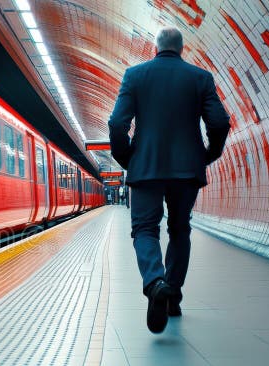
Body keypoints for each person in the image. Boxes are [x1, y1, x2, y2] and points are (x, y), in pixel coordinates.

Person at [108, 26, 230, 333]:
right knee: (179, 230)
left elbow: (117, 123)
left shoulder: (135, 76)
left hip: (146, 167)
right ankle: (172, 296)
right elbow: (219, 121)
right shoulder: (201, 78)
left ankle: (155, 282)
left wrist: (128, 159)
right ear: (182, 49)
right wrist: (208, 155)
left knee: (145, 229)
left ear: (155, 48)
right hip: (187, 169)